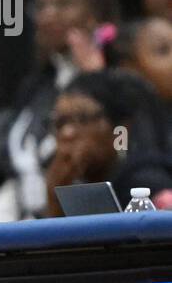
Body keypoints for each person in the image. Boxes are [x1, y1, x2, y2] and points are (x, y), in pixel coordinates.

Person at [0, 0, 116, 221]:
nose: (48, 15)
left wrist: (96, 80)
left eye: (63, 3)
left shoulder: (121, 78)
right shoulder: (35, 87)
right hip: (24, 233)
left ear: (96, 11)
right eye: (42, 5)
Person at [42, 70, 172, 217]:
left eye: (83, 118)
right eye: (60, 122)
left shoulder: (147, 183)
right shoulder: (76, 185)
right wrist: (54, 195)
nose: (67, 133)